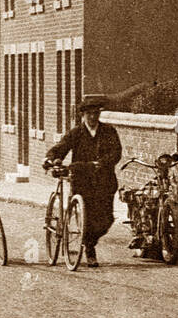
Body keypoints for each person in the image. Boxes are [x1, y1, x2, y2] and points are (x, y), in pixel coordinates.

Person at [44, 94, 121, 268]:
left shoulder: (109, 131)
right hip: (82, 180)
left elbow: (116, 153)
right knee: (87, 217)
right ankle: (89, 249)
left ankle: (89, 241)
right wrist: (51, 158)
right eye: (89, 114)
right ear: (83, 115)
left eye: (95, 113)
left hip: (104, 180)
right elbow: (60, 148)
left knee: (106, 219)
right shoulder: (76, 133)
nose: (93, 117)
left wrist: (100, 163)